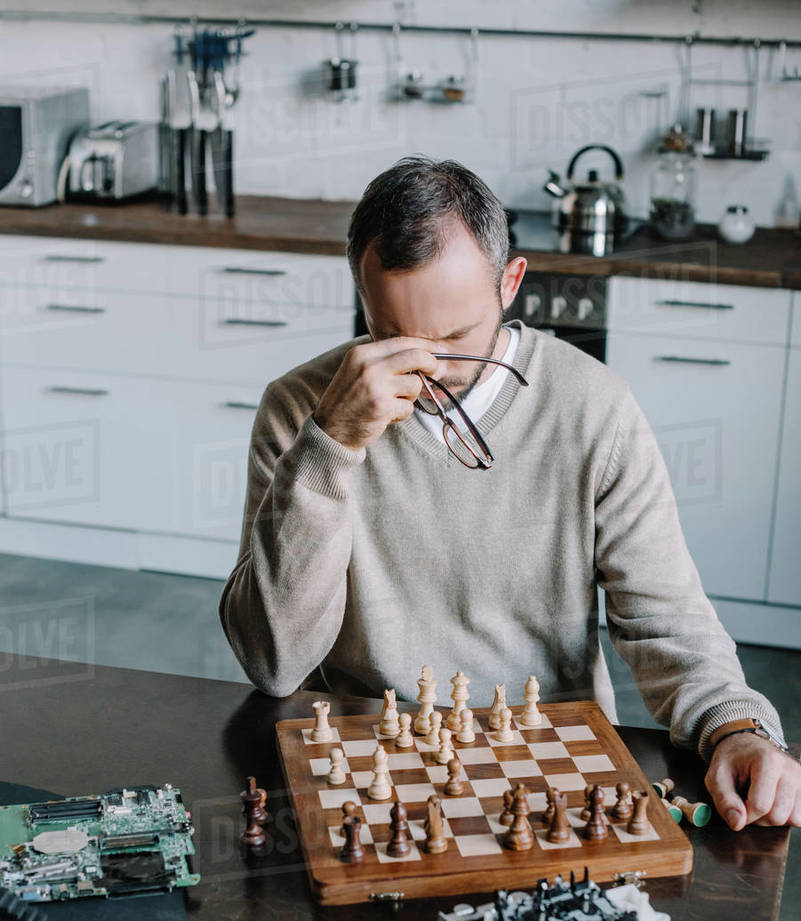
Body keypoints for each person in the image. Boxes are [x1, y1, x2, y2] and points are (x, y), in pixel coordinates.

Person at [220, 156, 800, 830]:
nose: (429, 370)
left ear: (511, 282)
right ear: (362, 296)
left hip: (545, 763)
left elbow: (664, 617)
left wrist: (735, 727)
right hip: (367, 760)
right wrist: (330, 447)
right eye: (394, 336)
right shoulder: (300, 410)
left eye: (455, 338)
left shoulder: (596, 407)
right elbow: (274, 663)